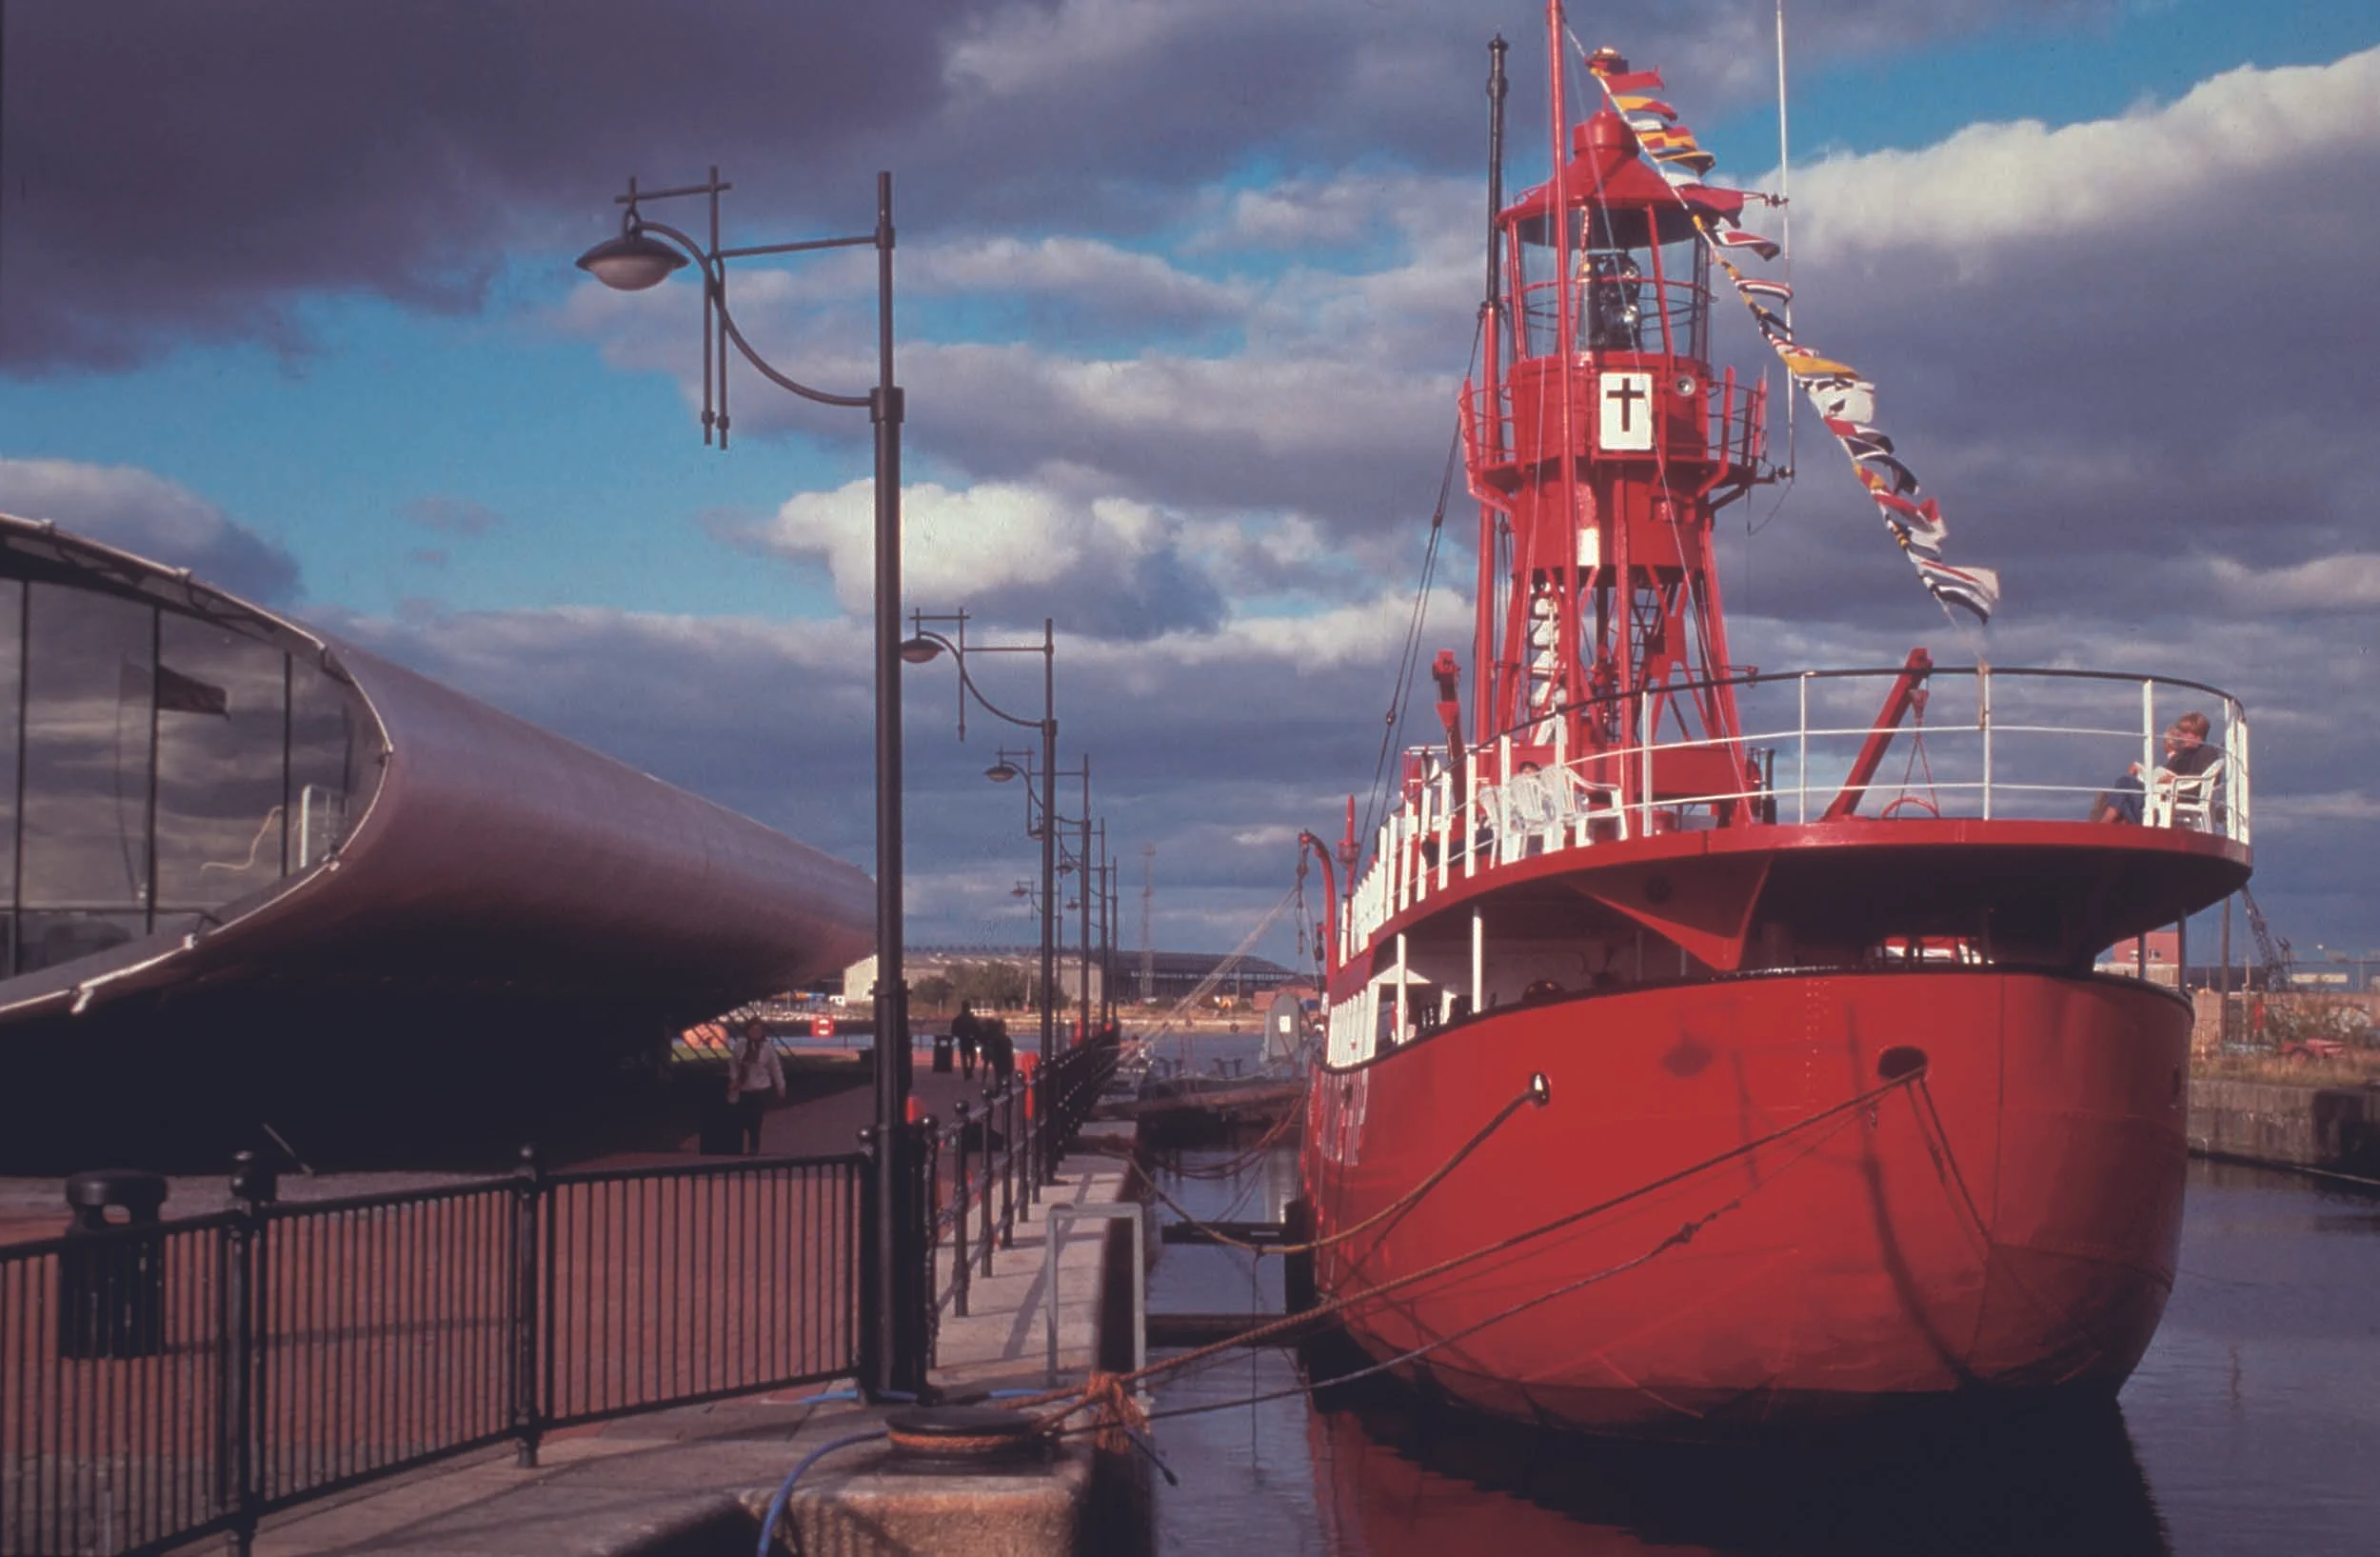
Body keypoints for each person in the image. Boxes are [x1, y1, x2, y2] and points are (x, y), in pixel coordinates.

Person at [2092, 711, 2218, 824]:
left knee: (2125, 784)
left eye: (2185, 733)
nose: (2181, 736)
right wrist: (2141, 771)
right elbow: (2163, 772)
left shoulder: (2207, 752)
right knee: (2120, 790)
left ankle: (2104, 825)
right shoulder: (2183, 754)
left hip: (2176, 795)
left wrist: (2174, 780)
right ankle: (2112, 825)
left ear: (2198, 735)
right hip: (2163, 791)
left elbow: (2200, 780)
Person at [724, 1016, 784, 1155]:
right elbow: (733, 1062)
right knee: (742, 1117)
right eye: (753, 1030)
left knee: (756, 1120)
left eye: (759, 1030)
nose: (756, 1033)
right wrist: (734, 1078)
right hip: (743, 1087)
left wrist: (780, 1085)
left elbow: (775, 1067)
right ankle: (737, 1146)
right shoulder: (741, 1045)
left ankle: (753, 1147)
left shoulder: (767, 1047)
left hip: (760, 1088)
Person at [951, 1001, 982, 1080]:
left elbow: (953, 1031)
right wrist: (977, 1037)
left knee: (964, 1057)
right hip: (970, 1039)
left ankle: (966, 1072)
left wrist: (959, 1035)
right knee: (972, 1057)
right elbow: (977, 1029)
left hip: (963, 1039)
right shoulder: (972, 1018)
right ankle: (970, 1071)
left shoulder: (958, 1019)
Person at [982, 1016, 1016, 1085]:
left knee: (991, 1068)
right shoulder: (1005, 1039)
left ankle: (987, 1080)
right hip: (1002, 1059)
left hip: (995, 1056)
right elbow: (1010, 1051)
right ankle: (1004, 1085)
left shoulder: (991, 1035)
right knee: (1003, 1073)